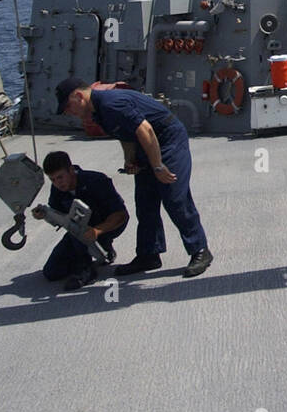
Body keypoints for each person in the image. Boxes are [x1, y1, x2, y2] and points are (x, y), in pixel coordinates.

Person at [56, 77, 214, 278]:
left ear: (79, 96)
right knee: (145, 201)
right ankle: (149, 255)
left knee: (174, 197)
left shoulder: (111, 104)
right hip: (146, 144)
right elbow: (125, 133)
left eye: (68, 107)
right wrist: (130, 160)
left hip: (167, 140)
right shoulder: (97, 111)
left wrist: (157, 166)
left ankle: (200, 250)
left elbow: (145, 129)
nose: (68, 113)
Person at [32, 151, 129, 290]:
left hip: (108, 226)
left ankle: (86, 270)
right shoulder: (57, 189)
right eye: (52, 179)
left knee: (80, 232)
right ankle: (101, 251)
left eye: (60, 177)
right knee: (52, 272)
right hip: (78, 231)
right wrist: (45, 215)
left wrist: (97, 231)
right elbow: (59, 216)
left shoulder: (97, 181)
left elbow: (121, 215)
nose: (58, 183)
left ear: (71, 170)